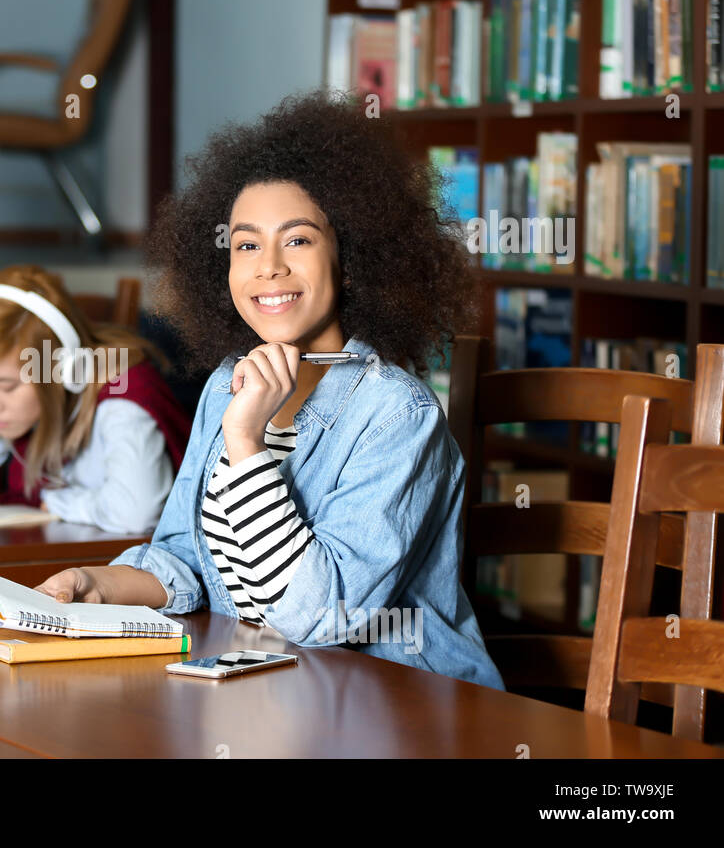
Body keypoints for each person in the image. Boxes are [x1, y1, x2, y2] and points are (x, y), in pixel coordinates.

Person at [36, 90, 504, 689]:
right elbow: (184, 560)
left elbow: (321, 616)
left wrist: (245, 441)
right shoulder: (225, 385)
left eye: (299, 240)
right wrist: (96, 583)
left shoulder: (397, 414)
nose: (269, 267)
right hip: (270, 690)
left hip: (397, 704)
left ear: (351, 258)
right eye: (247, 244)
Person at [0, 264, 191, 536]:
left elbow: (136, 513)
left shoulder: (123, 396)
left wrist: (57, 501)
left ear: (62, 368)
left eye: (7, 386)